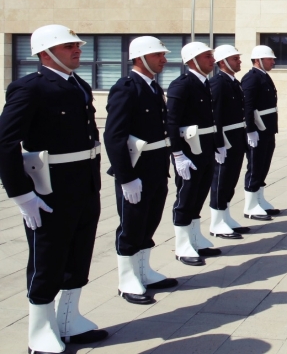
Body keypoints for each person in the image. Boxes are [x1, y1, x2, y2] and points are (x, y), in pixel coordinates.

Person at [0, 25, 109, 353]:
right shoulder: (30, 88)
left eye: (76, 45)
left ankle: (69, 319)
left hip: (85, 185)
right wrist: (22, 195)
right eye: (67, 47)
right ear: (45, 53)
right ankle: (40, 330)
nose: (77, 50)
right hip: (50, 191)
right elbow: (5, 143)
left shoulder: (78, 84)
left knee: (78, 255)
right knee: (48, 259)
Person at [104, 36, 178, 306]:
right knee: (131, 225)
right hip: (136, 171)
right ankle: (127, 279)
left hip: (156, 168)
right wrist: (126, 178)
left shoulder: (153, 88)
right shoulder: (126, 88)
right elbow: (114, 137)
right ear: (140, 57)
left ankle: (144, 271)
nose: (164, 59)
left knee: (149, 222)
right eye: (159, 54)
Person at [167, 42, 224, 266]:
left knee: (199, 194)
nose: (212, 60)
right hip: (189, 151)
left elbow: (211, 120)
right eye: (207, 56)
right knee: (186, 196)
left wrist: (217, 145)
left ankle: (194, 238)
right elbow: (171, 122)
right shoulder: (182, 85)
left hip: (206, 148)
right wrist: (177, 154)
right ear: (192, 60)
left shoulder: (205, 84)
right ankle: (182, 245)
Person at [209, 45, 252, 238]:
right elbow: (215, 116)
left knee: (231, 180)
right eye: (235, 59)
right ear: (223, 62)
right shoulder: (218, 83)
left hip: (236, 137)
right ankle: (216, 222)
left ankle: (225, 216)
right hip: (225, 139)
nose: (239, 61)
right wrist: (218, 144)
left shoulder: (233, 82)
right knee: (221, 181)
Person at [242, 45, 281, 220]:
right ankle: (250, 205)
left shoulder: (264, 77)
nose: (273, 62)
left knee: (264, 165)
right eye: (270, 59)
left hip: (267, 129)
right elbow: (247, 106)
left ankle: (259, 199)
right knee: (255, 166)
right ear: (258, 60)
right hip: (257, 130)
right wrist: (250, 130)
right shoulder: (251, 78)